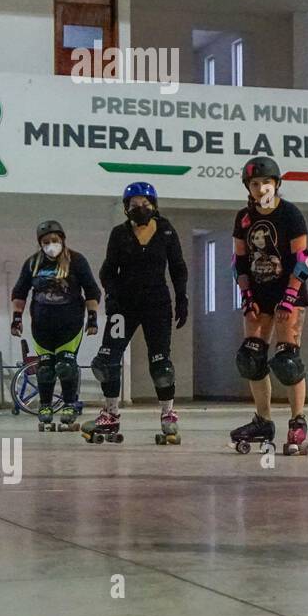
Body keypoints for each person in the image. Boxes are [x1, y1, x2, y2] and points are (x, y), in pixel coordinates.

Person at [229, 157, 308, 456]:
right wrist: (247, 295)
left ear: (277, 184)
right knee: (251, 357)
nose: (261, 187)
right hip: (259, 294)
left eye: (266, 182)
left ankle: (297, 421)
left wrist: (289, 297)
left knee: (287, 361)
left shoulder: (290, 214)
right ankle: (263, 421)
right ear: (248, 187)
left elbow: (304, 261)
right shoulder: (243, 218)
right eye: (254, 183)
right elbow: (238, 262)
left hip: (288, 290)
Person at [90, 183, 189, 444]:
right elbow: (107, 271)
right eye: (133, 205)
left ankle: (168, 416)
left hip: (157, 304)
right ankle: (110, 414)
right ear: (126, 208)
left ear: (154, 205)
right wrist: (111, 296)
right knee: (107, 361)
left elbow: (178, 267)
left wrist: (182, 298)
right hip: (124, 306)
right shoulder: (119, 234)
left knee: (161, 365)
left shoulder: (166, 230)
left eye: (144, 204)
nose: (139, 209)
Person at [10, 220, 101, 430]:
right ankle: (45, 405)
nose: (51, 244)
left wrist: (93, 317)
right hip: (41, 325)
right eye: (46, 241)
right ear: (40, 243)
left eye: (55, 240)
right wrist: (16, 319)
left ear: (62, 240)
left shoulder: (77, 261)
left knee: (65, 366)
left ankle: (69, 403)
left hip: (70, 324)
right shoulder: (33, 263)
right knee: (45, 369)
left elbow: (92, 290)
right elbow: (20, 293)